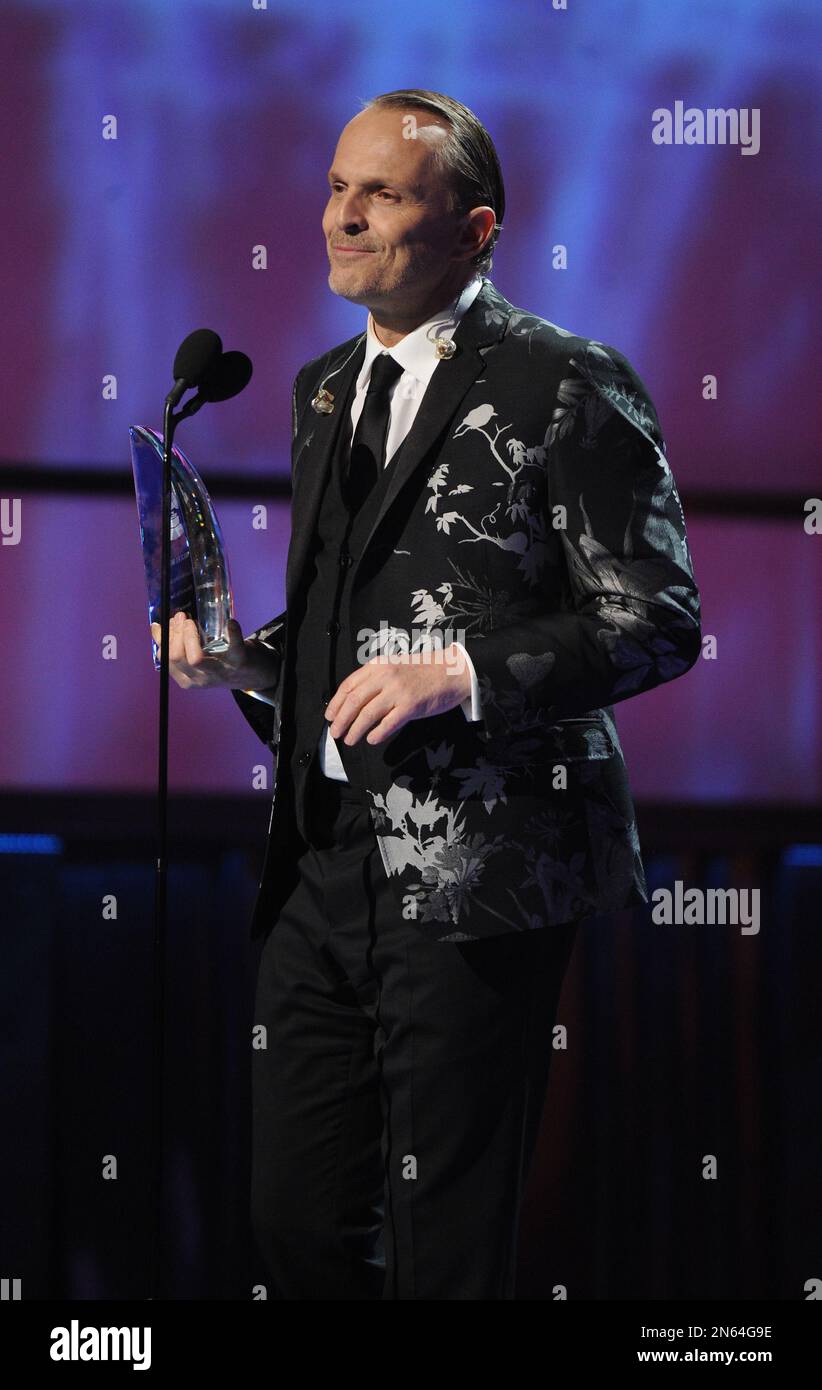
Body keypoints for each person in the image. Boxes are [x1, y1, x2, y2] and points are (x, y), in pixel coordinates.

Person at [153, 89, 701, 1299]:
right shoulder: (321, 392)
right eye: (337, 187)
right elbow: (353, 619)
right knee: (295, 1225)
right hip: (322, 858)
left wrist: (456, 673)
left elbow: (659, 621)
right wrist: (246, 662)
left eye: (382, 194)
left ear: (475, 227)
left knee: (446, 1244)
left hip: (482, 868)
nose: (341, 216)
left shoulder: (568, 380)